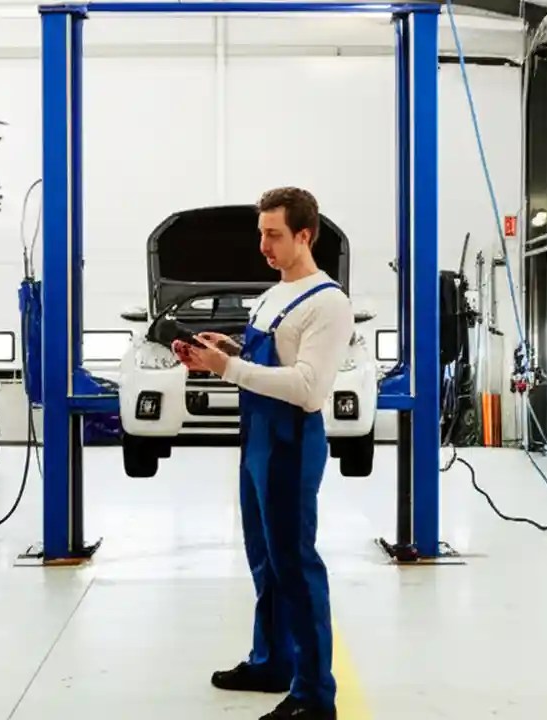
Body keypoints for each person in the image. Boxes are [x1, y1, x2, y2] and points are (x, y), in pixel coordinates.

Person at [175, 187, 353, 720]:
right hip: (256, 439)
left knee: (295, 567)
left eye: (274, 235)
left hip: (290, 445)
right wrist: (225, 349)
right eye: (261, 233)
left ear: (305, 234)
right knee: (264, 560)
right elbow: (272, 357)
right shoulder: (274, 294)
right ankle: (273, 660)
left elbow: (307, 389)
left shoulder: (329, 303)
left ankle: (314, 696)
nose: (263, 246)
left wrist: (227, 369)